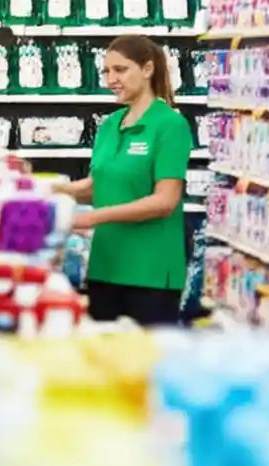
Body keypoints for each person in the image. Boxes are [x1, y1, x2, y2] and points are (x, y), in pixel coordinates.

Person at [58, 34, 192, 325]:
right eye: (106, 71)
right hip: (104, 267)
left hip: (151, 274)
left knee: (144, 366)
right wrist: (46, 189)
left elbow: (164, 201)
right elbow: (96, 186)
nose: (110, 79)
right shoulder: (109, 125)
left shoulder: (170, 125)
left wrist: (91, 219)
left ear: (147, 69)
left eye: (120, 70)